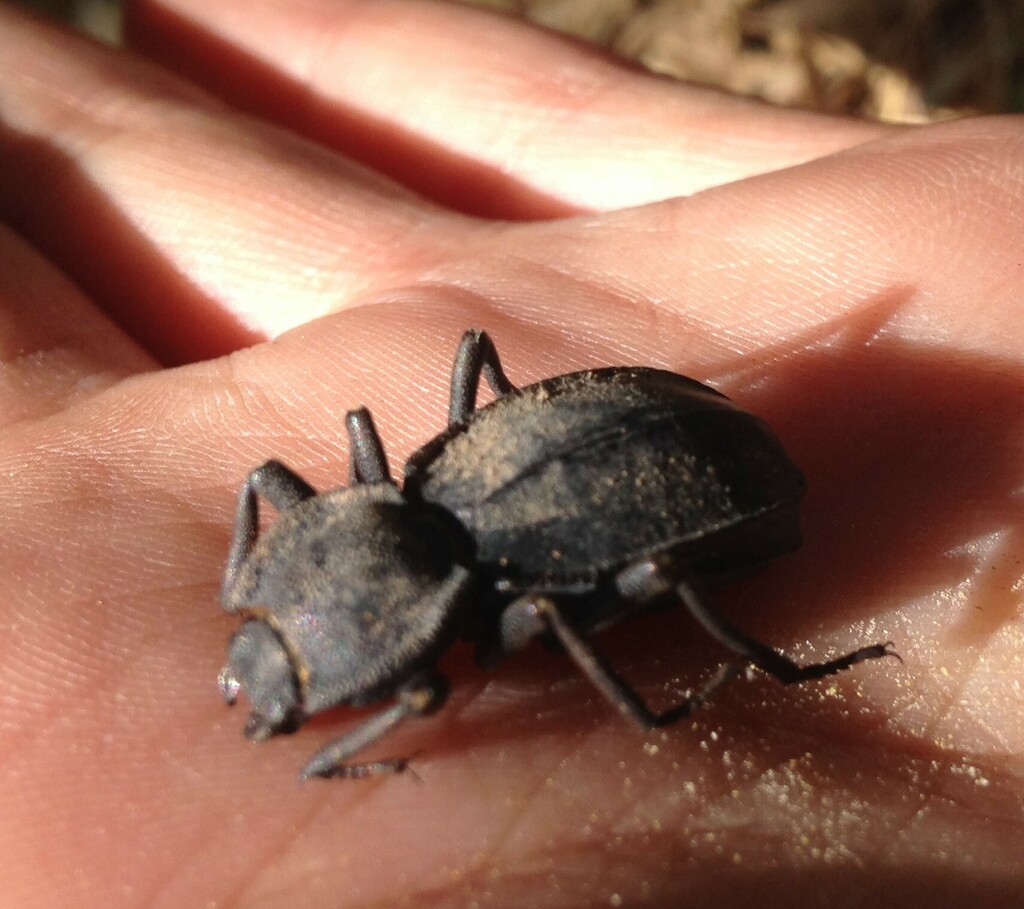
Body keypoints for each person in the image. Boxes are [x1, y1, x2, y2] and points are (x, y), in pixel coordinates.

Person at [1, 1, 1022, 905]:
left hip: (717, 485)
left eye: (266, 610)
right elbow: (271, 488)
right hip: (584, 438)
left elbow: (421, 694)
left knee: (622, 574)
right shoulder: (389, 492)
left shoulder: (473, 618)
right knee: (464, 379)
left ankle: (750, 687)